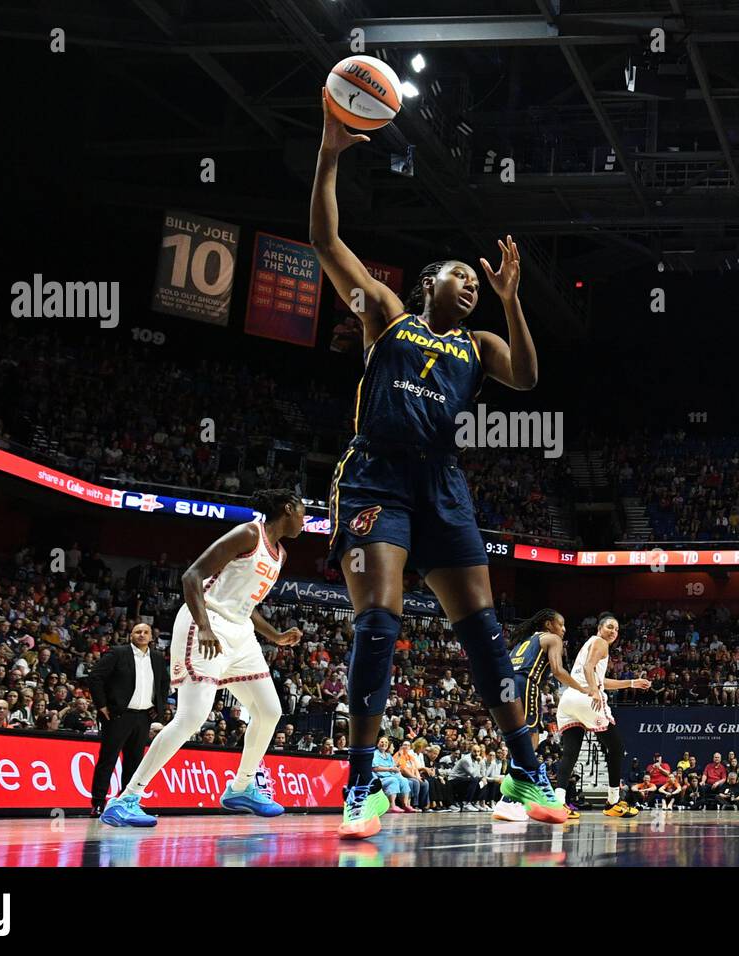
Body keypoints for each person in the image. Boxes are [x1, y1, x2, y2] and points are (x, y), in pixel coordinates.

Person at [311, 90, 565, 840]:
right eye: (464, 276)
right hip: (376, 479)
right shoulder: (385, 314)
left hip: (444, 486)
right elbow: (325, 241)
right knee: (380, 623)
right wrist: (330, 151)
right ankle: (360, 788)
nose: (473, 285)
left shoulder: (477, 347)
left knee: (485, 633)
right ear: (429, 285)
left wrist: (514, 301)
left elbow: (526, 376)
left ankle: (525, 768)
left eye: (479, 284)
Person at [100, 490, 306, 827]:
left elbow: (246, 605)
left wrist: (275, 637)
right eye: (302, 512)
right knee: (192, 717)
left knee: (270, 711)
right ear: (287, 509)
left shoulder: (280, 554)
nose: (304, 520)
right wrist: (205, 626)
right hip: (205, 622)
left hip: (241, 633)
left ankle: (241, 788)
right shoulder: (249, 534)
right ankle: (126, 799)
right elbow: (191, 576)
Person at [548, 613, 650, 819]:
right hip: (586, 698)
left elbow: (600, 679)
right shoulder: (600, 643)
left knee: (570, 753)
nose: (614, 632)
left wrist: (631, 683)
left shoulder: (590, 644)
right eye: (610, 627)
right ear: (600, 628)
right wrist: (594, 691)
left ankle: (558, 803)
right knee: (617, 746)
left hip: (568, 699)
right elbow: (589, 669)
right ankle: (613, 801)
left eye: (617, 629)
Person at [496, 608, 591, 821]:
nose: (564, 629)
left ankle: (509, 798)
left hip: (506, 684)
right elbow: (557, 670)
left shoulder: (523, 641)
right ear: (548, 624)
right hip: (526, 682)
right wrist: (582, 689)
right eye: (561, 624)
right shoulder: (552, 639)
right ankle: (511, 800)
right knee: (531, 738)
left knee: (518, 739)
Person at [86, 620, 169, 817]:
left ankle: (127, 802)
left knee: (134, 762)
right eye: (137, 632)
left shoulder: (157, 658)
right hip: (118, 716)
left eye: (145, 632)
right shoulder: (118, 653)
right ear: (131, 636)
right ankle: (98, 802)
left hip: (143, 717)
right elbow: (95, 677)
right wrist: (102, 705)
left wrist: (159, 707)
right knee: (108, 759)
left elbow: (164, 683)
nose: (141, 634)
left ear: (151, 637)